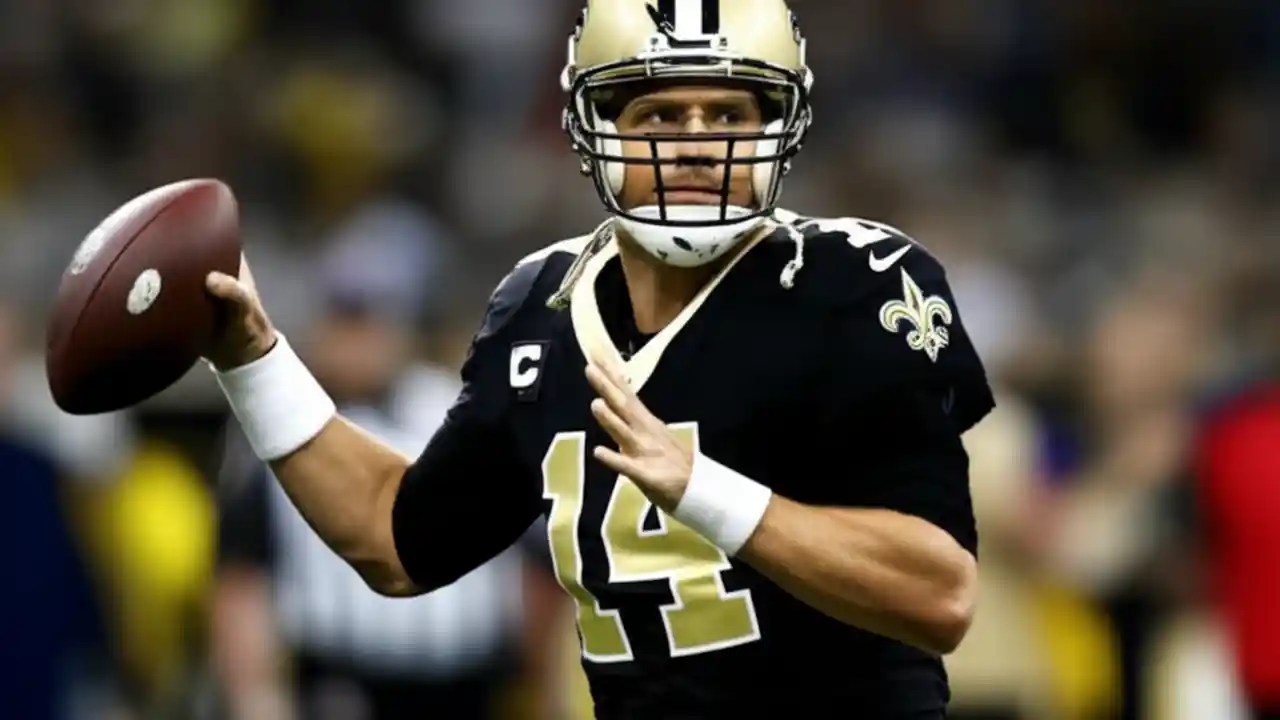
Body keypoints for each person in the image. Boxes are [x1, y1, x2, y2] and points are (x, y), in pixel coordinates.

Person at [202, 0, 993, 716]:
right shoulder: (539, 307)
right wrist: (253, 359)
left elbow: (940, 594)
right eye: (660, 115)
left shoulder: (852, 286)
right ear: (595, 129)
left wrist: (705, 490)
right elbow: (394, 539)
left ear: (780, 126)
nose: (696, 144)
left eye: (726, 113)